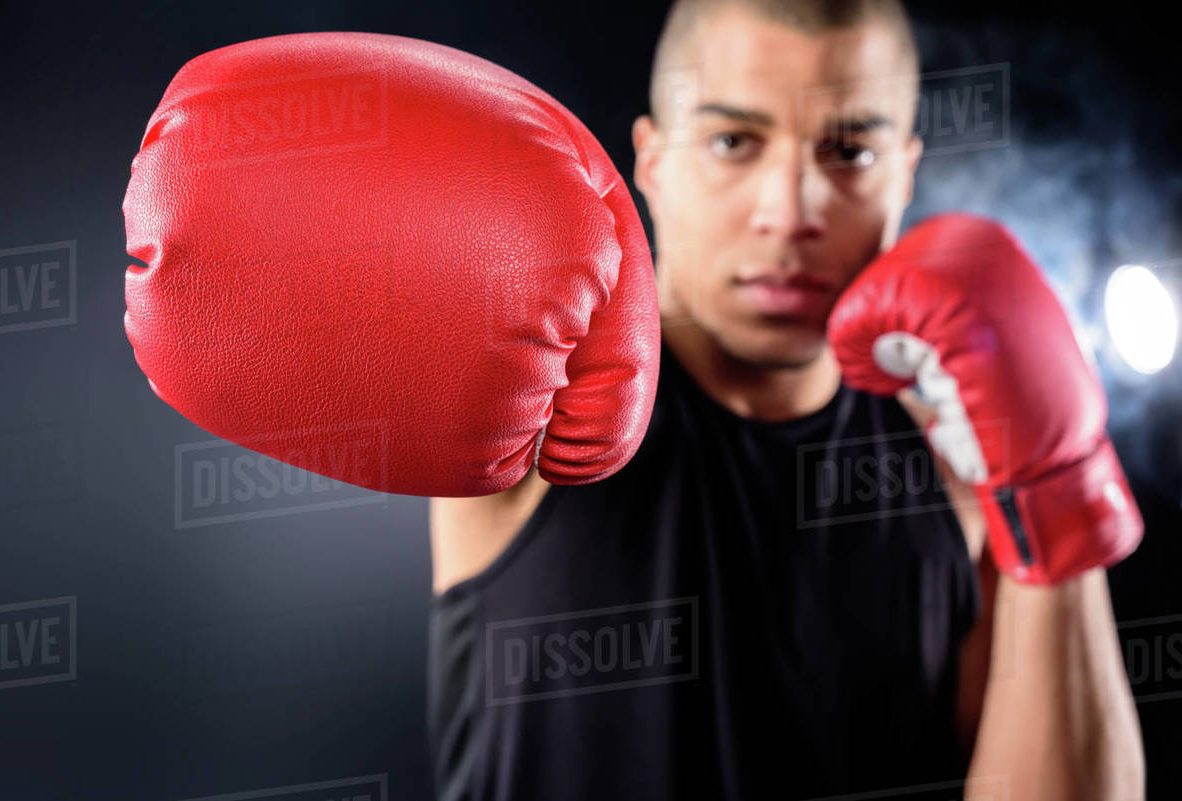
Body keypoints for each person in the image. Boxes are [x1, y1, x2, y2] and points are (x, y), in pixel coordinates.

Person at [427, 1, 1145, 799]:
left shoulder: (962, 456)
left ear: (904, 173)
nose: (794, 210)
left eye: (848, 150)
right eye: (734, 142)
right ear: (653, 164)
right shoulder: (539, 398)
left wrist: (1055, 485)